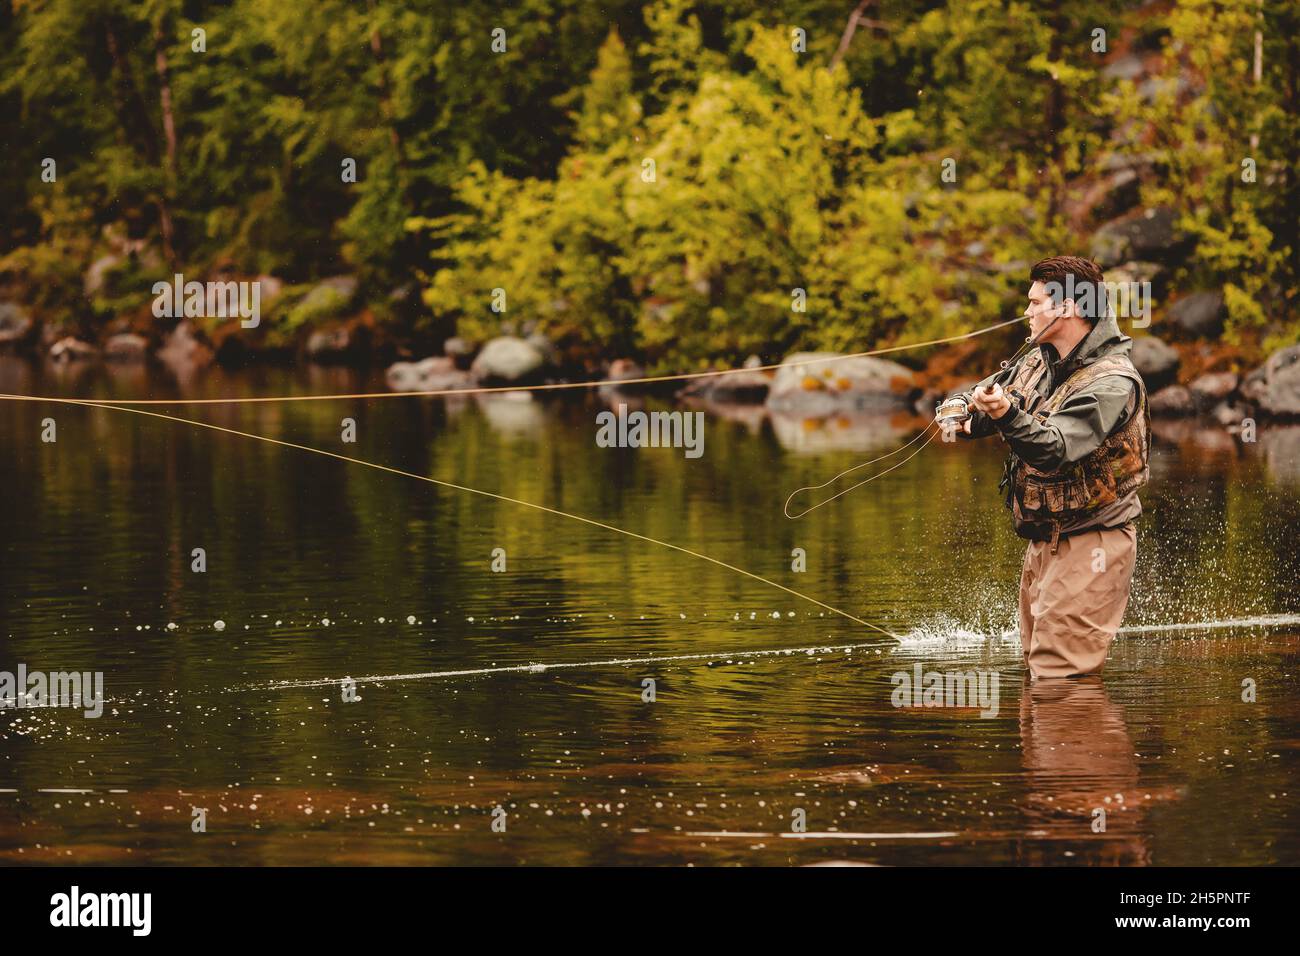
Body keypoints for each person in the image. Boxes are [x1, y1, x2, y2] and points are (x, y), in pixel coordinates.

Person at [948, 255, 1150, 678]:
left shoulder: (1112, 382)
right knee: (1038, 673)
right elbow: (998, 396)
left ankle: (1080, 745)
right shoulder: (1040, 360)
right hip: (1044, 542)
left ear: (1068, 308)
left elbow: (1056, 447)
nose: (1027, 311)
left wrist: (1004, 415)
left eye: (1035, 302)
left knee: (1060, 678)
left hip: (1092, 543)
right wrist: (965, 412)